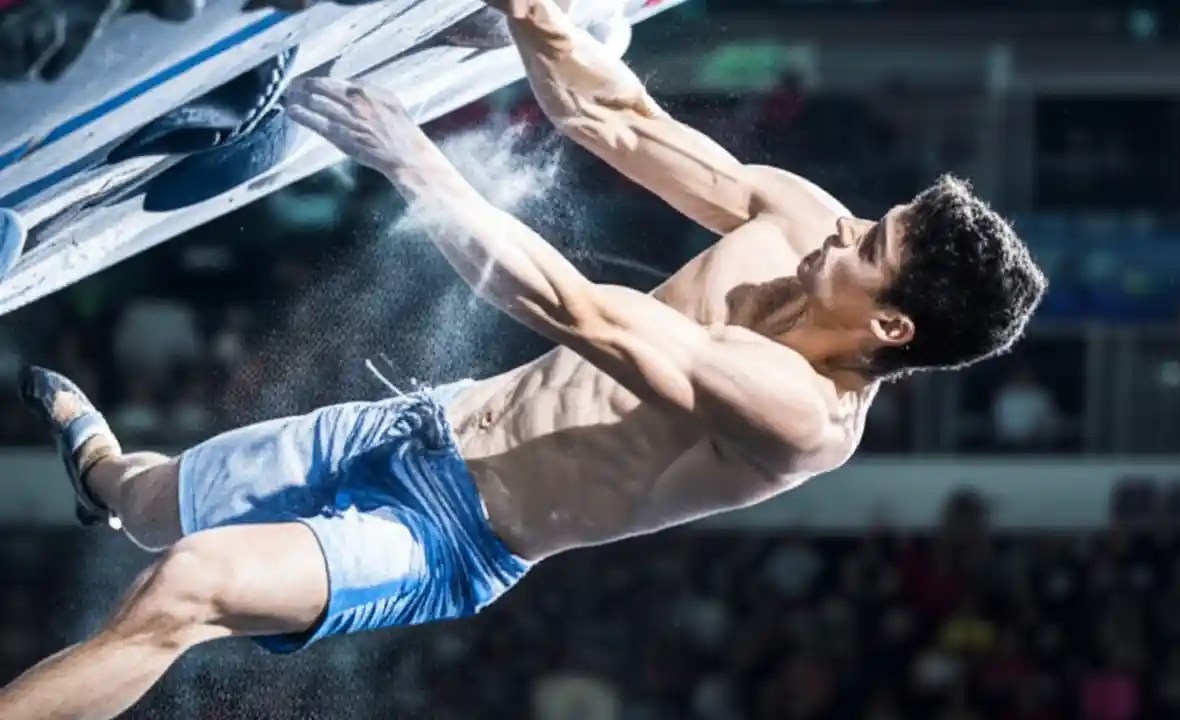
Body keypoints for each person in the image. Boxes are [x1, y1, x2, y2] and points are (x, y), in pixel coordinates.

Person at [0, 1, 1046, 717]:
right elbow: (617, 117)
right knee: (147, 509)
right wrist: (527, 11)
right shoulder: (809, 220)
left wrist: (419, 165)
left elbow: (581, 314)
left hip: (445, 536)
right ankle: (100, 469)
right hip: (418, 420)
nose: (842, 225)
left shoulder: (800, 415)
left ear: (891, 328)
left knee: (186, 586)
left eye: (869, 245)